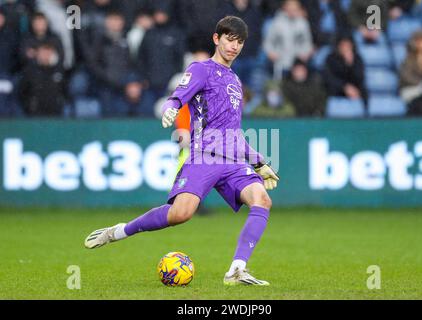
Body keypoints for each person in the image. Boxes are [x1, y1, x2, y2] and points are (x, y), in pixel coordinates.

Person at [84, 16, 280, 286]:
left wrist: (259, 162)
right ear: (216, 38)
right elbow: (177, 97)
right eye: (229, 39)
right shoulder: (201, 69)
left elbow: (234, 132)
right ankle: (119, 231)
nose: (234, 46)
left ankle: (236, 270)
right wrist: (171, 109)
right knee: (180, 214)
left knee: (262, 200)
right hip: (205, 157)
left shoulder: (236, 81)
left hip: (233, 160)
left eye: (239, 42)